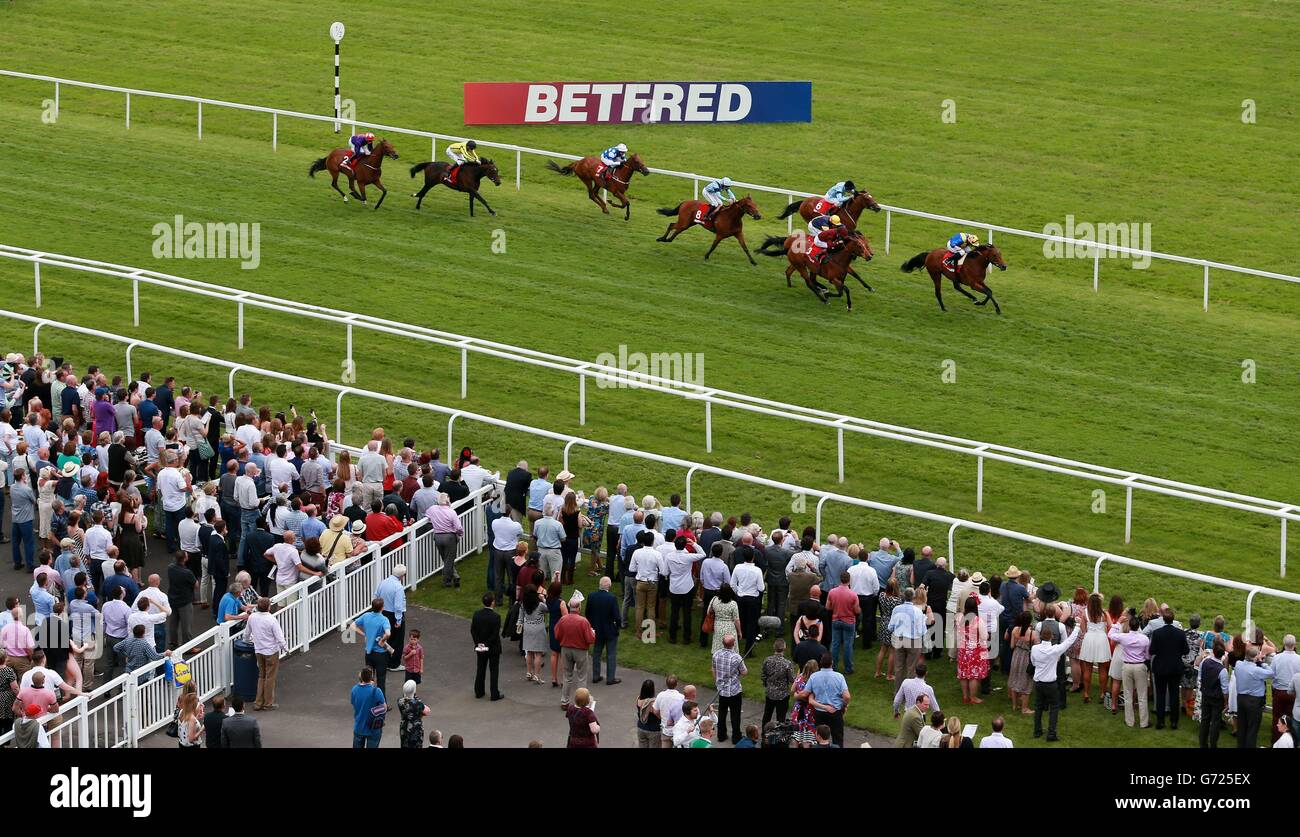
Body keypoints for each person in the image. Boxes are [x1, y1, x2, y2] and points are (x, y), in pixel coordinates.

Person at [1030, 616, 1080, 742]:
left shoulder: (1035, 649)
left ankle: (1037, 731)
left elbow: (1034, 663)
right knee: (1054, 707)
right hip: (1050, 683)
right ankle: (1051, 733)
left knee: (1038, 706)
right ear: (1052, 637)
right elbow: (1069, 641)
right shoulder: (1055, 650)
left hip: (1038, 682)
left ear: (1041, 636)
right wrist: (1078, 626)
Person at [1149, 606, 1190, 730]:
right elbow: (1186, 650)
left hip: (1161, 667)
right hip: (1174, 668)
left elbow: (1152, 650)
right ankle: (1174, 722)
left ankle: (1160, 721)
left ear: (1164, 619)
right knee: (1174, 695)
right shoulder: (1180, 633)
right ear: (1173, 620)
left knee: (1160, 695)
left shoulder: (1157, 633)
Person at [1110, 610, 1152, 728]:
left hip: (1127, 666)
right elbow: (1148, 655)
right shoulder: (1144, 638)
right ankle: (1144, 722)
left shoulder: (1124, 637)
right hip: (1139, 666)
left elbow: (1111, 634)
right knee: (1142, 695)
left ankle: (1129, 721)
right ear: (1138, 626)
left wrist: (1117, 623)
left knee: (1128, 694)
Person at [799, 652, 850, 747]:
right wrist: (843, 706)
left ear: (820, 663)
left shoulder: (814, 677)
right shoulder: (839, 677)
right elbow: (847, 697)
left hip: (819, 713)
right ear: (832, 663)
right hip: (835, 712)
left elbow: (804, 694)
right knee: (837, 738)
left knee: (820, 738)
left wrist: (796, 694)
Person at [555, 595, 595, 710]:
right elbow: (590, 639)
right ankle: (581, 703)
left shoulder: (563, 619)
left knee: (567, 676)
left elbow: (557, 635)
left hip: (566, 649)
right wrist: (593, 633)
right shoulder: (583, 621)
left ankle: (564, 702)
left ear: (569, 606)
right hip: (580, 651)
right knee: (582, 676)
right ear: (579, 607)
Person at [349, 598, 394, 700]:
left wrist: (364, 634)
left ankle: (369, 700)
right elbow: (388, 633)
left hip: (369, 653)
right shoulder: (384, 620)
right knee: (381, 680)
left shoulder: (366, 616)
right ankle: (382, 704)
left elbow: (352, 626)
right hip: (381, 654)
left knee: (368, 679)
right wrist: (382, 640)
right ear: (382, 608)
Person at [246, 597, 286, 711]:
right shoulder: (272, 619)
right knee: (270, 677)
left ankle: (258, 702)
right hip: (271, 651)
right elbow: (279, 638)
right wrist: (286, 649)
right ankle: (268, 703)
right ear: (268, 607)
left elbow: (246, 634)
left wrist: (247, 641)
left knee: (261, 676)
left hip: (258, 650)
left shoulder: (252, 617)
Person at [1234, 645, 1274, 748]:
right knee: (1252, 728)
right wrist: (1262, 663)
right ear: (1255, 657)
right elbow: (1271, 673)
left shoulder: (1238, 664)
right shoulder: (1256, 670)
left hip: (1241, 699)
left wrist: (1255, 659)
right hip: (1253, 701)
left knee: (1242, 726)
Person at [586, 576, 622, 686]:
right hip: (610, 630)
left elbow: (587, 613)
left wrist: (592, 625)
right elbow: (617, 616)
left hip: (596, 630)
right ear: (609, 586)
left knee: (596, 653)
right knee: (611, 654)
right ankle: (610, 678)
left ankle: (596, 676)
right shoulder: (611, 598)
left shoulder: (592, 596)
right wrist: (618, 627)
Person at [711, 633, 747, 743]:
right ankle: (736, 737)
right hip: (734, 691)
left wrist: (717, 683)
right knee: (735, 715)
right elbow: (745, 672)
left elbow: (713, 669)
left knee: (722, 713)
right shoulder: (736, 657)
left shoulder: (716, 654)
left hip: (721, 690)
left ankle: (721, 735)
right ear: (733, 644)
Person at [470, 593, 504, 701]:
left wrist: (478, 643)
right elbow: (495, 635)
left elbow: (473, 631)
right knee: (494, 670)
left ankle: (479, 691)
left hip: (480, 647)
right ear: (492, 602)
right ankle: (494, 693)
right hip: (493, 648)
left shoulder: (477, 615)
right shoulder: (496, 617)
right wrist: (487, 644)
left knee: (481, 668)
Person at [826, 571, 860, 674]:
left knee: (835, 644)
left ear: (840, 579)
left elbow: (828, 607)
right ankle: (848, 668)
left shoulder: (832, 592)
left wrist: (836, 606)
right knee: (848, 645)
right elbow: (857, 611)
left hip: (836, 620)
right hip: (849, 622)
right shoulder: (853, 594)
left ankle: (833, 666)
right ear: (849, 581)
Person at [955, 595, 988, 704]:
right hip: (974, 651)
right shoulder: (978, 621)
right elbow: (984, 637)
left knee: (963, 674)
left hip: (962, 650)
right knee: (973, 675)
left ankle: (965, 696)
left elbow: (957, 632)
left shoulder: (959, 617)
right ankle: (973, 698)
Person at [1198, 639, 1229, 748]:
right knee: (1215, 722)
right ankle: (1213, 745)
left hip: (1206, 695)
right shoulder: (1223, 670)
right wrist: (1226, 703)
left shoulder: (1204, 662)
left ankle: (1203, 744)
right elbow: (1225, 690)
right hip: (1216, 698)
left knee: (1205, 720)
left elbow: (1200, 677)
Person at [761, 638, 796, 730]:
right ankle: (780, 738)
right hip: (782, 695)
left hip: (769, 693)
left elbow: (763, 675)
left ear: (774, 647)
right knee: (781, 718)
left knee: (767, 715)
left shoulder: (767, 660)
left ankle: (764, 733)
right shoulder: (787, 663)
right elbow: (792, 679)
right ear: (784, 648)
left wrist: (767, 685)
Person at [350, 667, 386, 748]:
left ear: (361, 677)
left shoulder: (354, 689)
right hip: (373, 728)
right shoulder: (376, 691)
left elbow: (353, 704)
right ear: (371, 678)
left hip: (359, 726)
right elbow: (384, 708)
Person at [398, 679, 430, 749]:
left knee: (404, 744)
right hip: (415, 729)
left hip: (404, 726)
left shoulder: (400, 701)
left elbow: (406, 699)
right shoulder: (417, 704)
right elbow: (427, 711)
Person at [635, 679, 661, 748]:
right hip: (653, 730)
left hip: (641, 728)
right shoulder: (653, 703)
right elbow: (659, 716)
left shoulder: (638, 699)